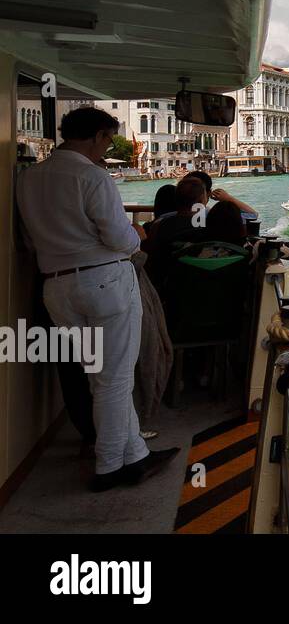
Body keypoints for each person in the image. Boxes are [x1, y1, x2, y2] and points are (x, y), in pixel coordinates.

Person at [15, 106, 179, 492]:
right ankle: (109, 467)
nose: (107, 147)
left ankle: (135, 454)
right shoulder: (92, 177)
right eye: (107, 139)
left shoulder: (28, 178)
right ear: (95, 137)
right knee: (114, 380)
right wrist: (136, 235)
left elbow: (26, 240)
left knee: (98, 376)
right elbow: (119, 239)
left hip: (56, 287)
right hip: (104, 283)